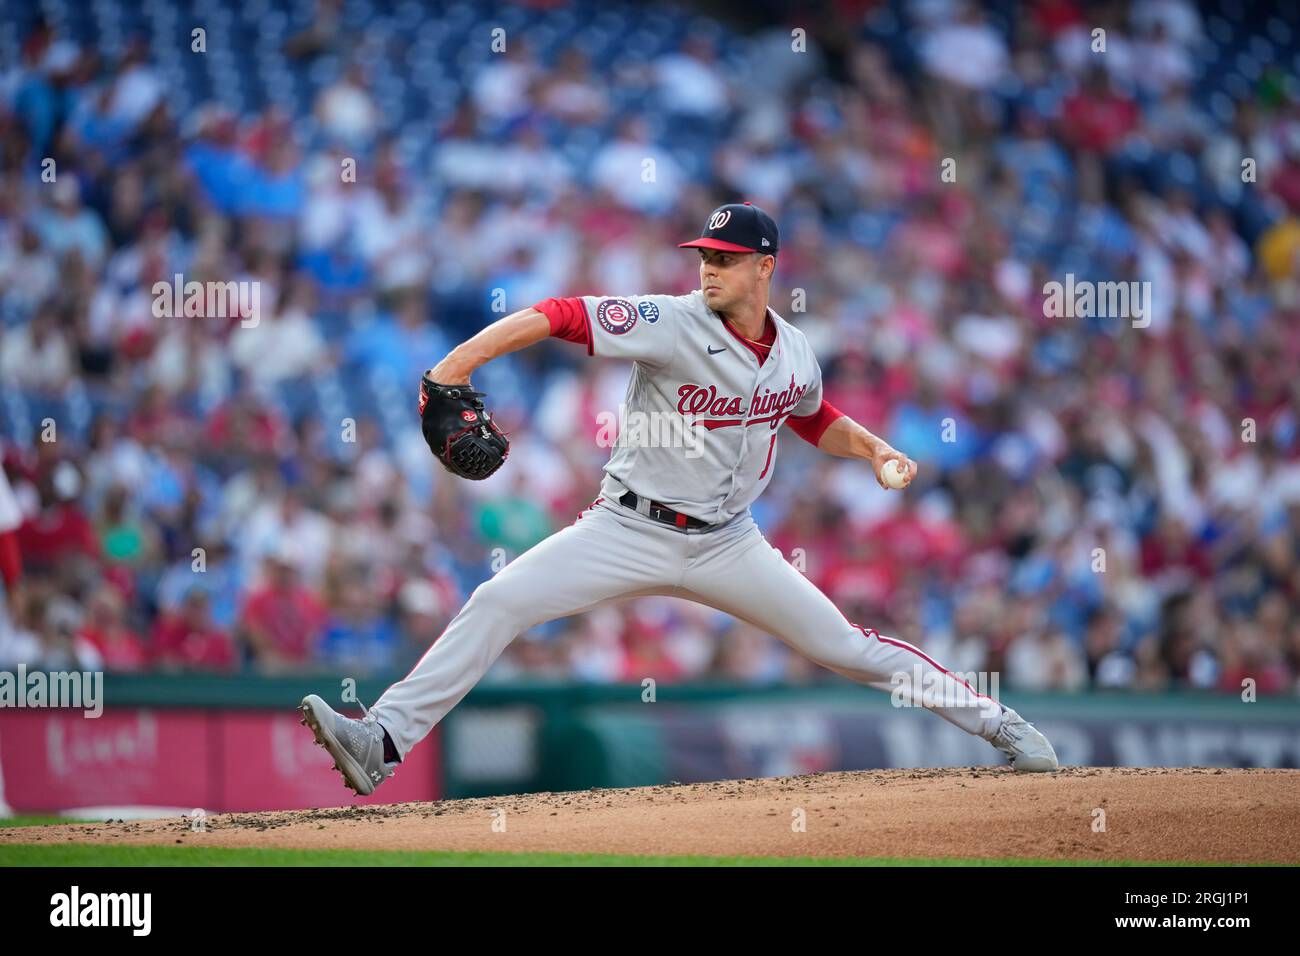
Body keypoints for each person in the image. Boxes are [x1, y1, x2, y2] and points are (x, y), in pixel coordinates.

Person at [300, 202, 1058, 795]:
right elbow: (558, 314)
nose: (708, 269)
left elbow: (811, 415)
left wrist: (874, 449)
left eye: (725, 260)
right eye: (704, 257)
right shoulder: (671, 322)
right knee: (499, 603)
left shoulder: (794, 350)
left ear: (765, 268)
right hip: (627, 527)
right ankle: (382, 740)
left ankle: (1005, 726)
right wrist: (450, 370)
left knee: (845, 647)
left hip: (730, 541)